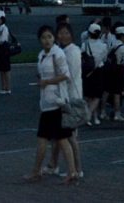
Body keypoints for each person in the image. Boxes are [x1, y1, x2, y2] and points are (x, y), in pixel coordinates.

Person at [25, 25, 76, 185]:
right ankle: (37, 171)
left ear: (54, 38)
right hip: (45, 102)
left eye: (49, 37)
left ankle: (71, 171)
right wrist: (41, 80)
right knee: (46, 139)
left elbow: (65, 75)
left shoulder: (58, 54)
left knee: (60, 139)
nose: (46, 40)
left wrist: (47, 81)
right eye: (43, 37)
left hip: (57, 102)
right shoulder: (42, 55)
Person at [45, 23, 83, 180]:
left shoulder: (72, 52)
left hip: (70, 98)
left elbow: (68, 76)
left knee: (70, 136)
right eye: (59, 33)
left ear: (71, 35)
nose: (62, 36)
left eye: (65, 33)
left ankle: (77, 169)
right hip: (62, 97)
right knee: (58, 134)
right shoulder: (63, 51)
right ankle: (53, 165)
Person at [103, 26, 124, 121]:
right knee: (117, 93)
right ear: (123, 37)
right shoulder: (123, 48)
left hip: (109, 70)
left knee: (106, 92)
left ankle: (102, 112)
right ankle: (117, 113)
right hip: (118, 71)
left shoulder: (113, 44)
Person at [82, 23, 107, 125]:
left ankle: (91, 116)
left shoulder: (85, 44)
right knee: (97, 96)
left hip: (87, 71)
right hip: (98, 71)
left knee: (88, 96)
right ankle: (90, 115)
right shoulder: (103, 45)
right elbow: (104, 59)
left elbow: (82, 57)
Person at [0, 10, 13, 94]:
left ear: (3, 19)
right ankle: (3, 87)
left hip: (4, 48)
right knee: (1, 69)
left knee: (6, 69)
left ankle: (8, 88)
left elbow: (3, 39)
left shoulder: (4, 28)